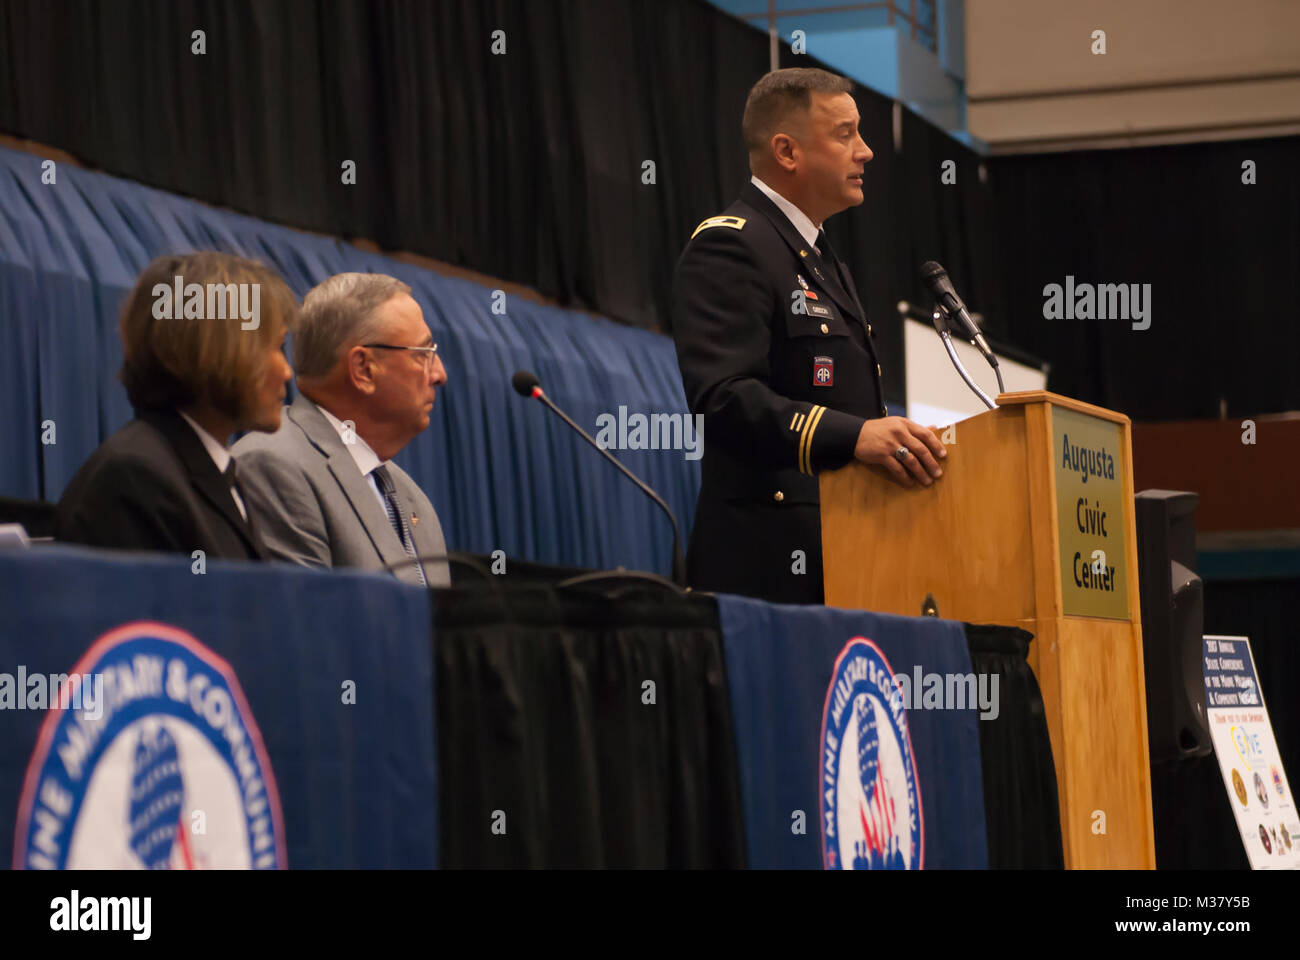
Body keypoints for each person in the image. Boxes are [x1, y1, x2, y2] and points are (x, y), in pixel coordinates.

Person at [672, 68, 947, 604]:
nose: (865, 151)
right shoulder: (731, 247)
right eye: (845, 134)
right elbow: (723, 399)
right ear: (787, 151)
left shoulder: (820, 256)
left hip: (844, 554)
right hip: (768, 574)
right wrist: (855, 435)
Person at [56, 251, 298, 560]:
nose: (287, 372)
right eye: (275, 347)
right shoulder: (136, 479)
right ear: (215, 352)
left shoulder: (210, 469)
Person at [231, 273, 451, 587]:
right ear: (363, 369)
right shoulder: (272, 466)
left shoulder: (413, 500)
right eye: (423, 354)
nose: (440, 374)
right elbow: (309, 626)